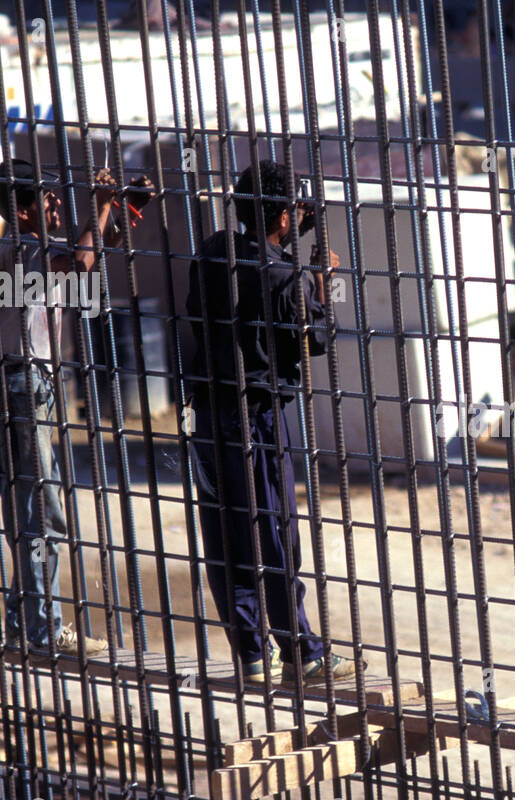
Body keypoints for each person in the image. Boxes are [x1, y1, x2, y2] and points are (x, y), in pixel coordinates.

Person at [186, 159, 362, 686]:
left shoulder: (213, 254)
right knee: (275, 534)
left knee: (226, 531)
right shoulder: (288, 277)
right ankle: (303, 654)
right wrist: (325, 283)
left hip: (209, 416)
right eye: (298, 212)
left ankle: (253, 654)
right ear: (284, 217)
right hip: (258, 419)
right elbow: (317, 340)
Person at [0, 158, 154, 655]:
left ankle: (25, 623)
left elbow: (94, 254)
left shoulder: (31, 249)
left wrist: (117, 211)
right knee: (43, 516)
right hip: (21, 387)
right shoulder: (20, 248)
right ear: (25, 208)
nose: (57, 202)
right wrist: (100, 206)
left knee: (32, 514)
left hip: (22, 387)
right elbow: (79, 262)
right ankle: (43, 630)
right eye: (48, 197)